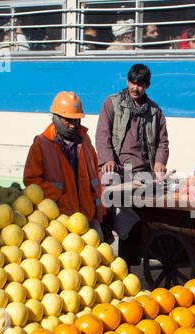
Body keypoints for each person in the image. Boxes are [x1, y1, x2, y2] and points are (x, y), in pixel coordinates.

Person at [96, 65, 170, 256]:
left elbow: (163, 141)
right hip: (117, 168)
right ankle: (103, 244)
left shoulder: (155, 111)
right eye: (132, 83)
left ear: (147, 86)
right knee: (106, 193)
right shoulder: (112, 103)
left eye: (140, 84)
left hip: (141, 171)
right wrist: (106, 160)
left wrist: (160, 161)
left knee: (144, 206)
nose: (135, 88)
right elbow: (102, 134)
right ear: (127, 82)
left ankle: (128, 258)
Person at [23, 91, 103, 225]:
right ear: (56, 117)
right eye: (68, 120)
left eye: (76, 120)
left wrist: (100, 214)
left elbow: (94, 178)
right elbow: (31, 181)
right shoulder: (41, 144)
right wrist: (60, 195)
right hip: (59, 221)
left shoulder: (85, 140)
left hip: (87, 218)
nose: (73, 125)